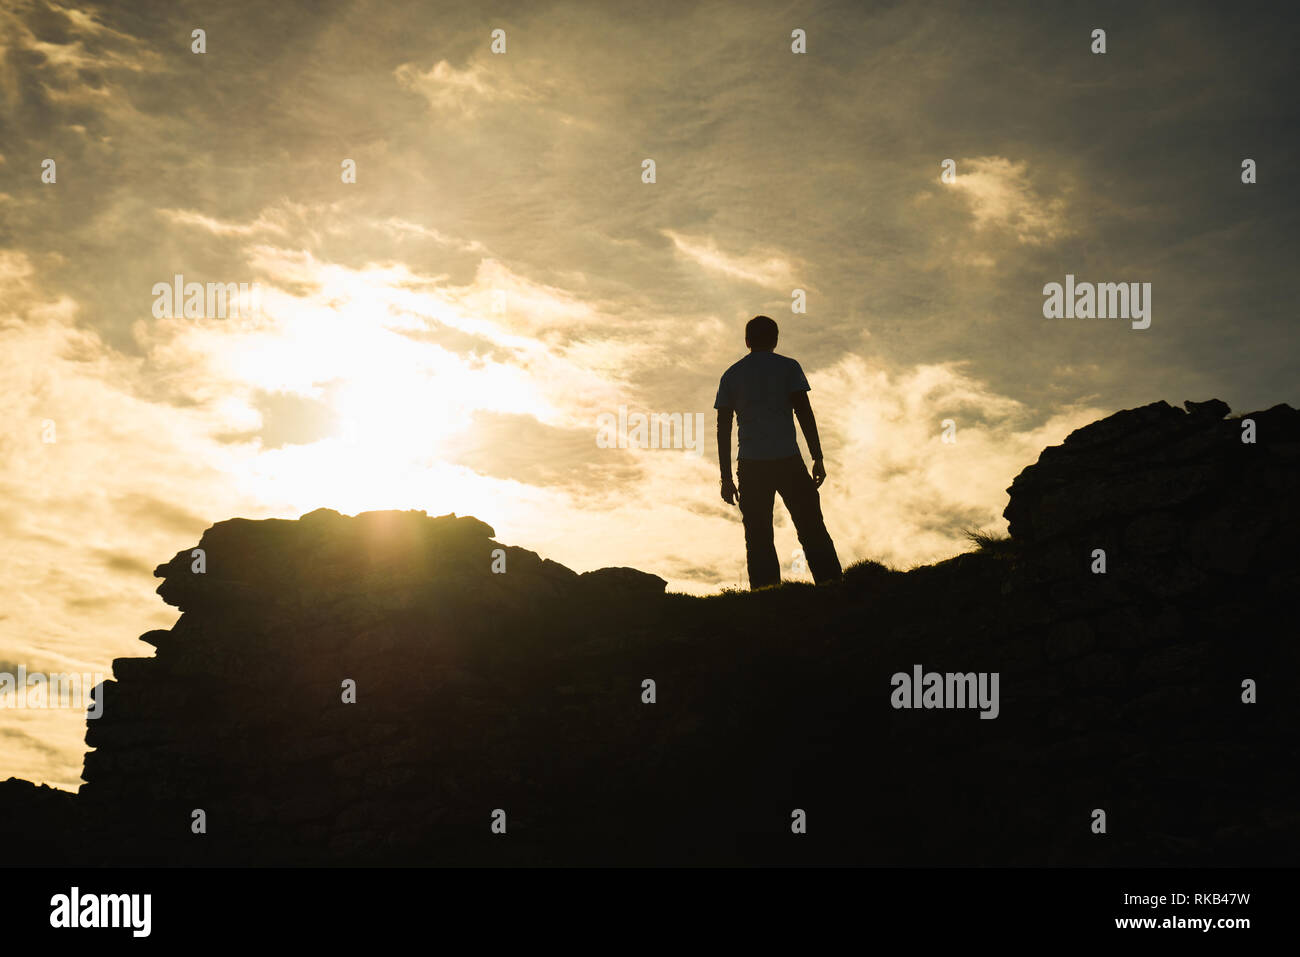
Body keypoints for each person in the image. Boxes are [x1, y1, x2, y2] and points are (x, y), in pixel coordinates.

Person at [714, 315, 842, 589]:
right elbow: (804, 413)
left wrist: (726, 478)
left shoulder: (731, 375)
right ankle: (832, 586)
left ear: (747, 341)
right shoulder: (788, 367)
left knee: (758, 537)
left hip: (751, 465)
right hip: (788, 460)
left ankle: (765, 596)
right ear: (775, 340)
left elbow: (722, 431)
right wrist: (817, 457)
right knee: (811, 528)